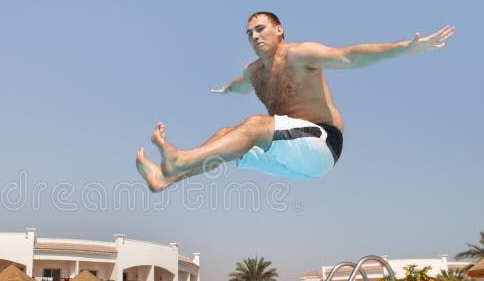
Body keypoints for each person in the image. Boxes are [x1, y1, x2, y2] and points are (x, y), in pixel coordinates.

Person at [136, 12, 455, 192]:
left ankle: (178, 160)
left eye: (260, 28)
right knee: (224, 135)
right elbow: (242, 85)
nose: (254, 36)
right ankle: (165, 179)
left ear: (279, 29)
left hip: (322, 144)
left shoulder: (300, 54)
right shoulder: (253, 72)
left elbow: (349, 56)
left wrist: (405, 48)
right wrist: (227, 90)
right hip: (294, 161)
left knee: (253, 126)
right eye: (248, 33)